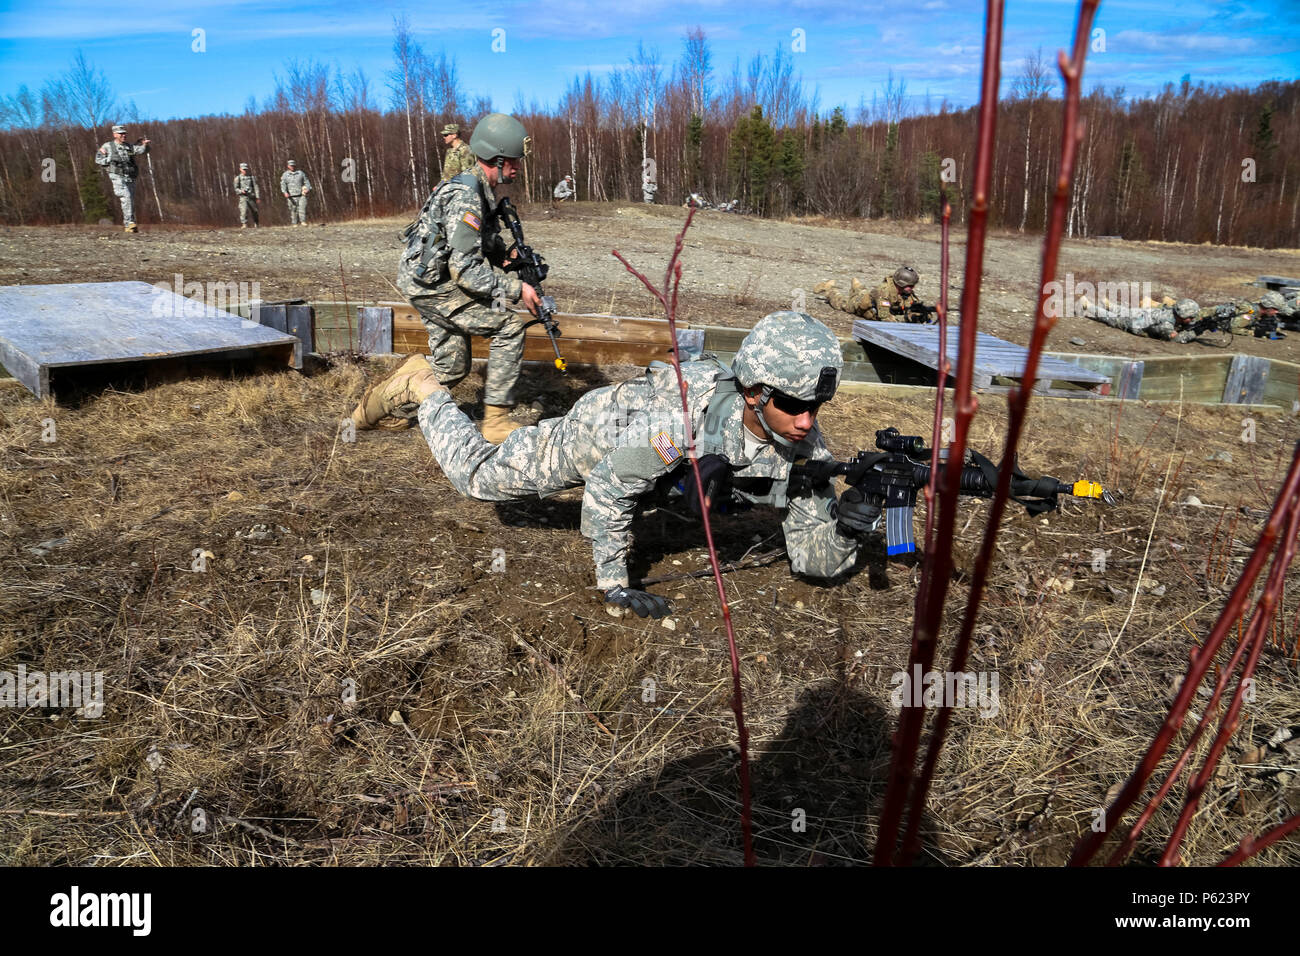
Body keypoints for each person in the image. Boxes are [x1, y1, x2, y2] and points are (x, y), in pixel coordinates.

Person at [347, 312, 878, 618]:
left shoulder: (806, 444)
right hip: (602, 434)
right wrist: (613, 583)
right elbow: (609, 486)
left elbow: (812, 562)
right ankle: (425, 387)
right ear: (755, 392)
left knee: (660, 481)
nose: (807, 422)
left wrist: (847, 530)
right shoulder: (678, 424)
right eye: (793, 404)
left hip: (655, 463)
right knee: (478, 479)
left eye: (816, 407)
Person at [393, 112, 543, 443]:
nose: (518, 167)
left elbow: (475, 251)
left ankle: (377, 410)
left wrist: (508, 260)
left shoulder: (480, 190)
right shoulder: (468, 196)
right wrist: (517, 289)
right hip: (433, 285)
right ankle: (496, 423)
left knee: (452, 367)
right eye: (514, 160)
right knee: (509, 325)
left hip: (428, 279)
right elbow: (466, 271)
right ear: (499, 158)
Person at [816, 267, 931, 322]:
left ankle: (857, 286)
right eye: (910, 286)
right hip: (859, 305)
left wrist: (923, 314)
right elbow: (885, 317)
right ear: (900, 284)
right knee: (840, 303)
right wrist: (907, 319)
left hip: (869, 296)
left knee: (863, 292)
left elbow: (916, 306)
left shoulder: (907, 292)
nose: (913, 288)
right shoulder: (883, 292)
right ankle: (829, 288)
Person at [94, 124, 151, 233]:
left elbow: (141, 151)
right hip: (116, 176)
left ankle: (130, 225)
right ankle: (129, 223)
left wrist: (145, 145)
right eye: (121, 133)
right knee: (126, 196)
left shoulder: (129, 146)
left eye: (124, 133)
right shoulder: (108, 146)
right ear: (115, 134)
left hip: (129, 177)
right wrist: (109, 159)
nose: (124, 135)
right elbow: (98, 159)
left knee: (130, 201)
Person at [1083, 297, 1203, 342]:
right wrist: (1193, 333)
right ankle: (1088, 306)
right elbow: (1175, 339)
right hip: (1136, 324)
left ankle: (1109, 305)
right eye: (1190, 317)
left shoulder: (1171, 310)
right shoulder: (1167, 325)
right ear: (1182, 315)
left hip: (1142, 313)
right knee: (1112, 318)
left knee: (1125, 311)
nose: (1192, 319)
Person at [280, 160, 311, 226]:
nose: (292, 167)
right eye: (291, 165)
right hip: (291, 196)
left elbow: (307, 182)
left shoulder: (300, 173)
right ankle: (295, 223)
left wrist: (307, 189)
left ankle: (303, 221)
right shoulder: (285, 175)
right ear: (288, 166)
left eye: (293, 165)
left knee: (302, 208)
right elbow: (283, 184)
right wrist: (285, 192)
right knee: (293, 210)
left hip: (301, 194)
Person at [233, 163, 260, 228]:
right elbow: (236, 188)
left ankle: (256, 223)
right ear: (240, 169)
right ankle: (244, 224)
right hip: (243, 197)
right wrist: (241, 191)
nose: (245, 170)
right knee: (243, 211)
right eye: (243, 169)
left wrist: (257, 197)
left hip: (251, 196)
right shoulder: (238, 178)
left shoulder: (251, 177)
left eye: (245, 169)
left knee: (255, 211)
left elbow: (256, 187)